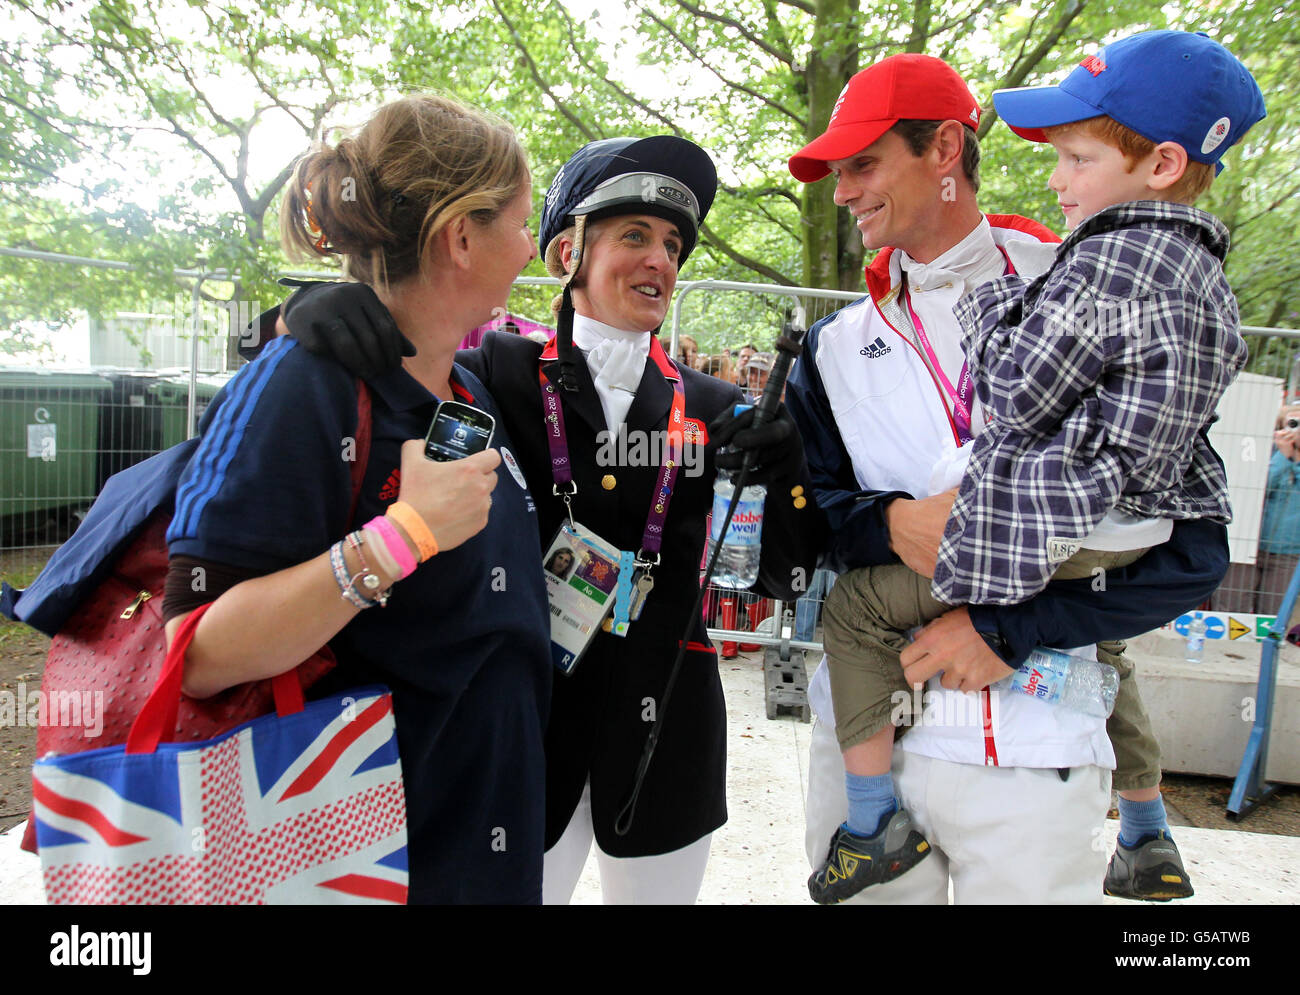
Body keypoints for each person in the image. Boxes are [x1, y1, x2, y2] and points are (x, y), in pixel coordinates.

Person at [265, 135, 820, 904]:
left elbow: (781, 576)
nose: (659, 259)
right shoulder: (494, 371)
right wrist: (322, 316)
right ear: (566, 253)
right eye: (633, 236)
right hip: (526, 733)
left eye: (671, 244)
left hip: (669, 738)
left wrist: (785, 471)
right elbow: (399, 393)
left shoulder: (721, 407)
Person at [806, 30, 1263, 904]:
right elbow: (813, 517)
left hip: (1037, 757)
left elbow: (1190, 548)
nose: (844, 192)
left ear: (943, 149)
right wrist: (888, 522)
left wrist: (1012, 629)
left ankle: (1144, 823)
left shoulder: (1086, 275)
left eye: (862, 163)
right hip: (871, 751)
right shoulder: (829, 347)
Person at [162, 94, 553, 904]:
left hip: (483, 857)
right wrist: (399, 537)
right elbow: (196, 651)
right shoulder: (304, 384)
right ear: (459, 237)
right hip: (356, 871)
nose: (532, 249)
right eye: (521, 223)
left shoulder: (469, 388)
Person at [1212, 402, 1300, 627]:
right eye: (1292, 422)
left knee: (1274, 617)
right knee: (1230, 612)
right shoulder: (1257, 451)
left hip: (1288, 554)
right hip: (1245, 547)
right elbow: (1257, 487)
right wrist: (1283, 456)